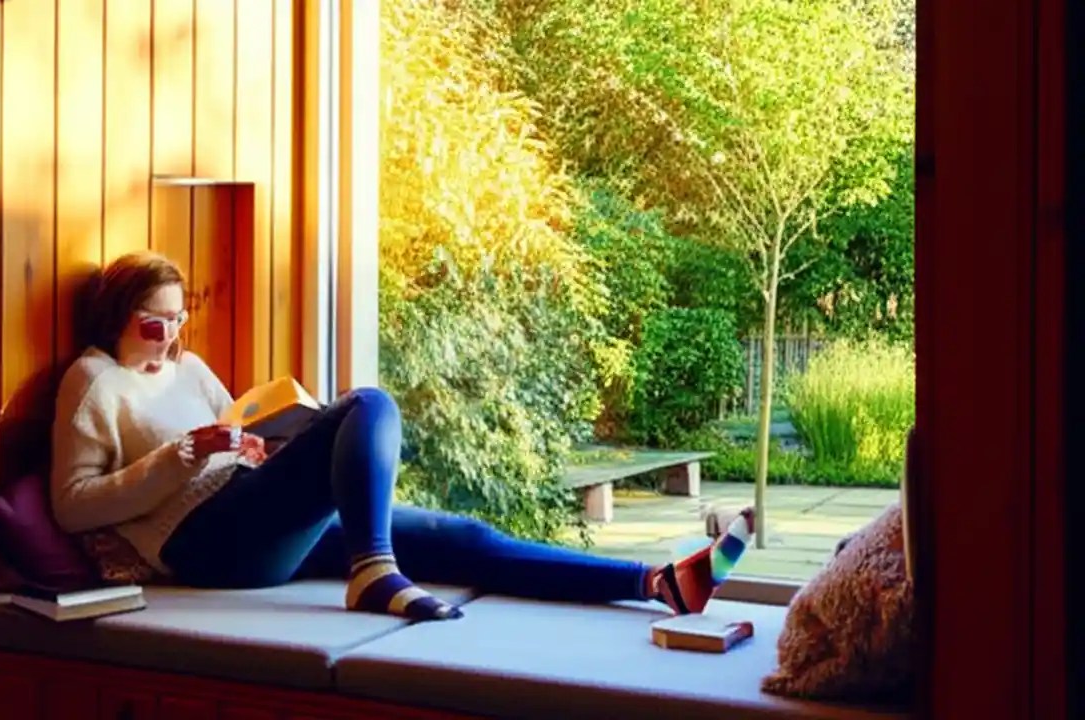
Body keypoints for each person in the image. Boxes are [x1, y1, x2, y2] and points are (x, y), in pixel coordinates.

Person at [51, 250, 754, 622]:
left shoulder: (190, 367)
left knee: (462, 539)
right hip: (201, 544)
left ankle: (660, 583)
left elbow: (228, 427)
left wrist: (254, 443)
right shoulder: (93, 383)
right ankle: (374, 573)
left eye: (178, 320)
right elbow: (73, 505)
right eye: (154, 322)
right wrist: (182, 458)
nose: (169, 336)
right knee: (369, 404)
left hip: (252, 511)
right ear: (117, 313)